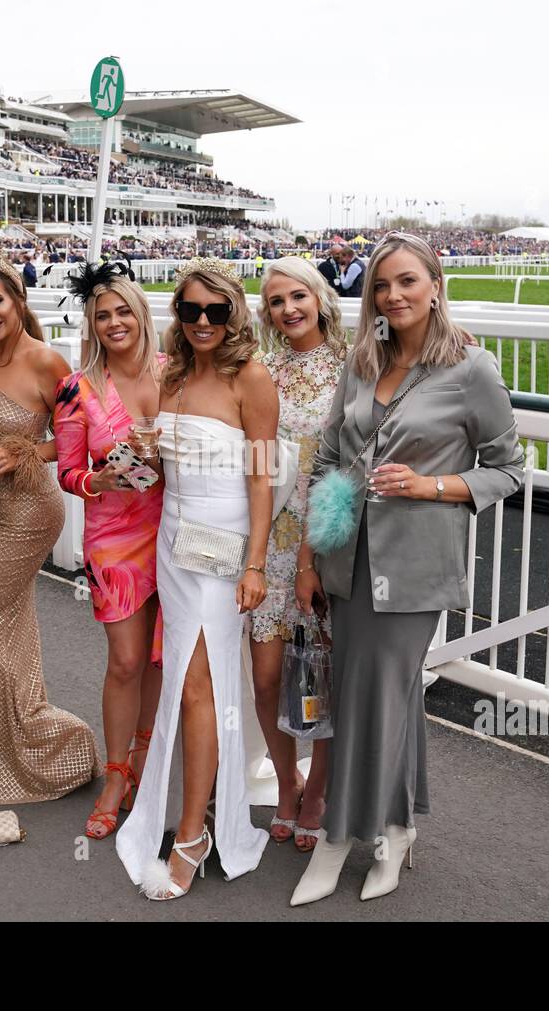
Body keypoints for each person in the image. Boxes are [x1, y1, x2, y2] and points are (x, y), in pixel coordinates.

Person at [291, 233, 523, 906]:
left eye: (408, 282)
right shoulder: (363, 361)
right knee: (383, 694)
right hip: (347, 555)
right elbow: (328, 456)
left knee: (375, 693)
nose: (394, 295)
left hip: (416, 563)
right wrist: (307, 556)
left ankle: (342, 835)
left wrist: (432, 485)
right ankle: (395, 826)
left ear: (434, 285)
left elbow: (509, 468)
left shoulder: (471, 368)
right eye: (383, 286)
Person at [115, 258, 276, 901]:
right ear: (176, 318)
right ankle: (190, 813)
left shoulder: (251, 379)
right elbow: (152, 466)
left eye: (215, 311)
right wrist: (130, 457)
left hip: (225, 548)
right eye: (190, 311)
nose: (203, 322)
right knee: (185, 681)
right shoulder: (173, 374)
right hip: (173, 547)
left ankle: (192, 832)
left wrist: (257, 564)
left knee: (196, 689)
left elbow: (262, 476)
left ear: (233, 313)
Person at [0, 245, 100, 807]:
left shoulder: (48, 363)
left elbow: (81, 439)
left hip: (30, 513)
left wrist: (20, 452)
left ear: (18, 298)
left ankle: (41, 743)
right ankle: (8, 744)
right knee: (9, 628)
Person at [53, 263, 164, 839]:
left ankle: (146, 759)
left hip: (173, 532)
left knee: (159, 658)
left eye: (124, 311)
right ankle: (115, 773)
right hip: (113, 539)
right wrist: (99, 483)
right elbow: (70, 471)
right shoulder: (79, 387)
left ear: (141, 314)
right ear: (92, 326)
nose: (115, 322)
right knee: (125, 659)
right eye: (103, 315)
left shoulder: (177, 375)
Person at [249, 256, 348, 852]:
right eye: (276, 301)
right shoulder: (261, 368)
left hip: (328, 538)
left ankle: (319, 793)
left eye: (297, 296)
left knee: (324, 675)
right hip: (267, 536)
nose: (288, 309)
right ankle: (287, 781)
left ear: (319, 297)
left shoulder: (353, 366)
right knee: (266, 678)